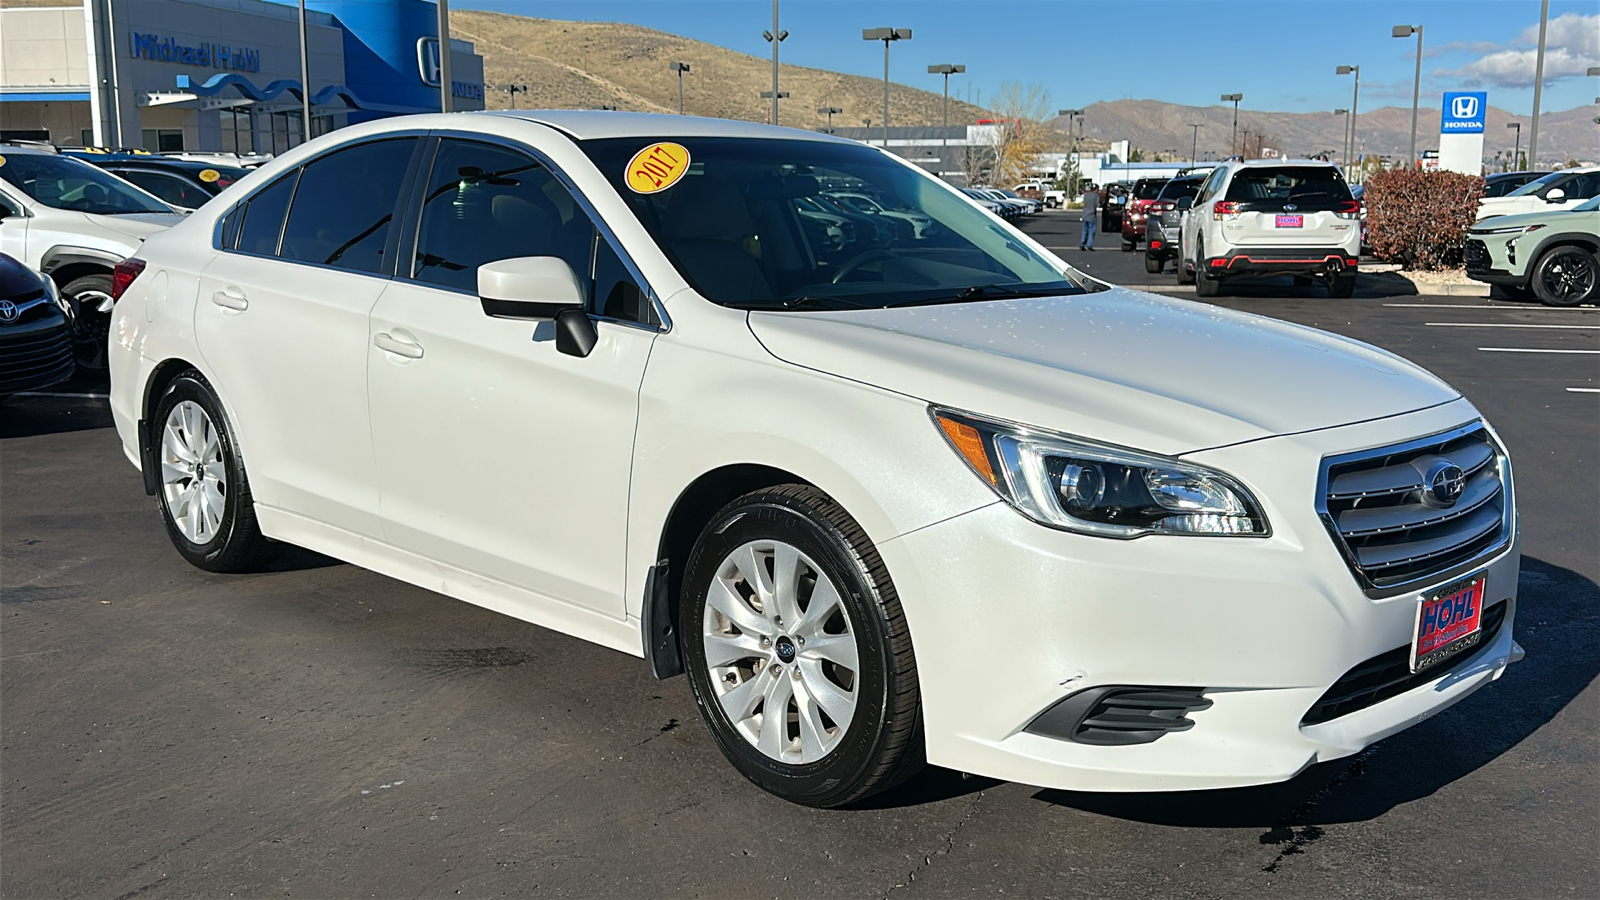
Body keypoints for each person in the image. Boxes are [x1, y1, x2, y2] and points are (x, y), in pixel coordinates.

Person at [1079, 183, 1101, 251]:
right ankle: (1089, 245)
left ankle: (1082, 244)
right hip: (1092, 215)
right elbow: (1098, 205)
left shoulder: (1086, 195)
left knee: (1084, 230)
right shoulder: (1096, 196)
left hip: (1085, 214)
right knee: (1091, 231)